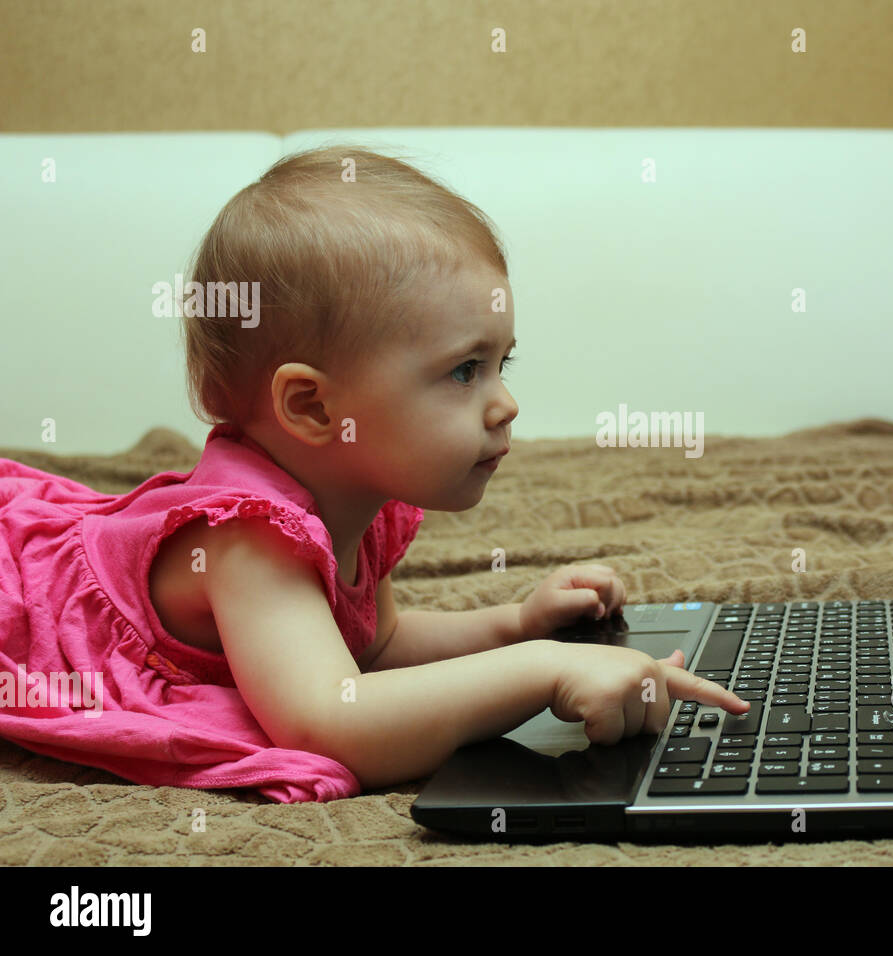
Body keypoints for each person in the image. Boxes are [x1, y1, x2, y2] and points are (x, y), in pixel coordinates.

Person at [0, 145, 747, 802]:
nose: (506, 404)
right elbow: (332, 718)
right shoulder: (248, 542)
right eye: (464, 371)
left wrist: (513, 625)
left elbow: (373, 647)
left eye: (500, 364)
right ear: (314, 409)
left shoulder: (359, 501)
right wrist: (539, 671)